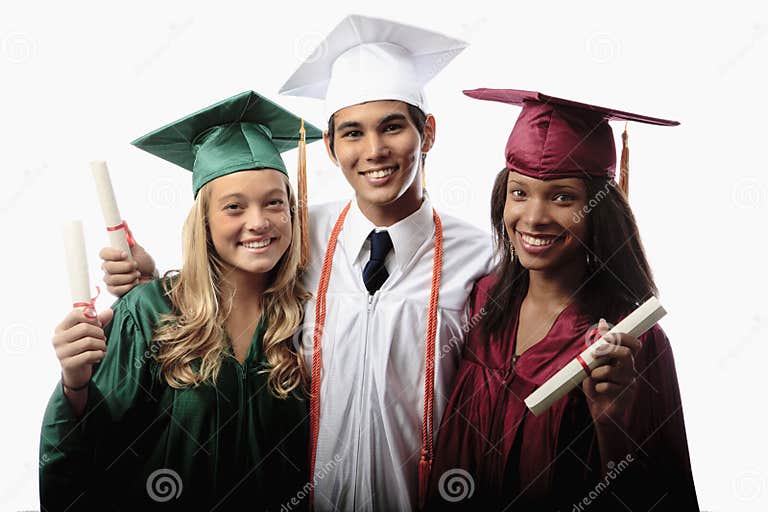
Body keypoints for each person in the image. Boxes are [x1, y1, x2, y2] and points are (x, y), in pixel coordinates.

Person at [102, 15, 494, 511]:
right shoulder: (297, 235)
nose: (374, 151)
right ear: (330, 146)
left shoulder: (483, 258)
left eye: (393, 126)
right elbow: (225, 272)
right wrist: (152, 285)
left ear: (428, 133)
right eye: (352, 133)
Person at [40, 91, 323, 511]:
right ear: (203, 222)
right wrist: (74, 383)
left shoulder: (310, 314)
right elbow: (93, 449)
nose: (258, 221)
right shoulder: (148, 312)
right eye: (234, 207)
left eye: (274, 203)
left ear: (293, 212)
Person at [427, 89, 699, 510]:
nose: (534, 218)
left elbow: (659, 495)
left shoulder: (631, 342)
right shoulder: (477, 302)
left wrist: (612, 423)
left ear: (597, 210)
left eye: (562, 197)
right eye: (519, 192)